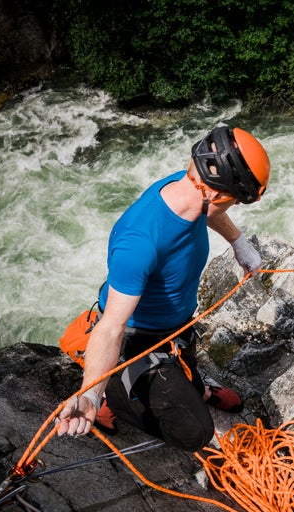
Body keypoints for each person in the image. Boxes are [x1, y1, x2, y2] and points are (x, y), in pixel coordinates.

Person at [56, 125, 271, 452]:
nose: (235, 208)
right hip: (136, 336)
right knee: (196, 433)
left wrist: (239, 242)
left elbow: (208, 210)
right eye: (235, 202)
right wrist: (89, 393)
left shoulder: (190, 184)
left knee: (188, 374)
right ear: (215, 192)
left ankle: (195, 386)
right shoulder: (140, 242)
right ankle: (113, 392)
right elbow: (111, 328)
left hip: (175, 323)